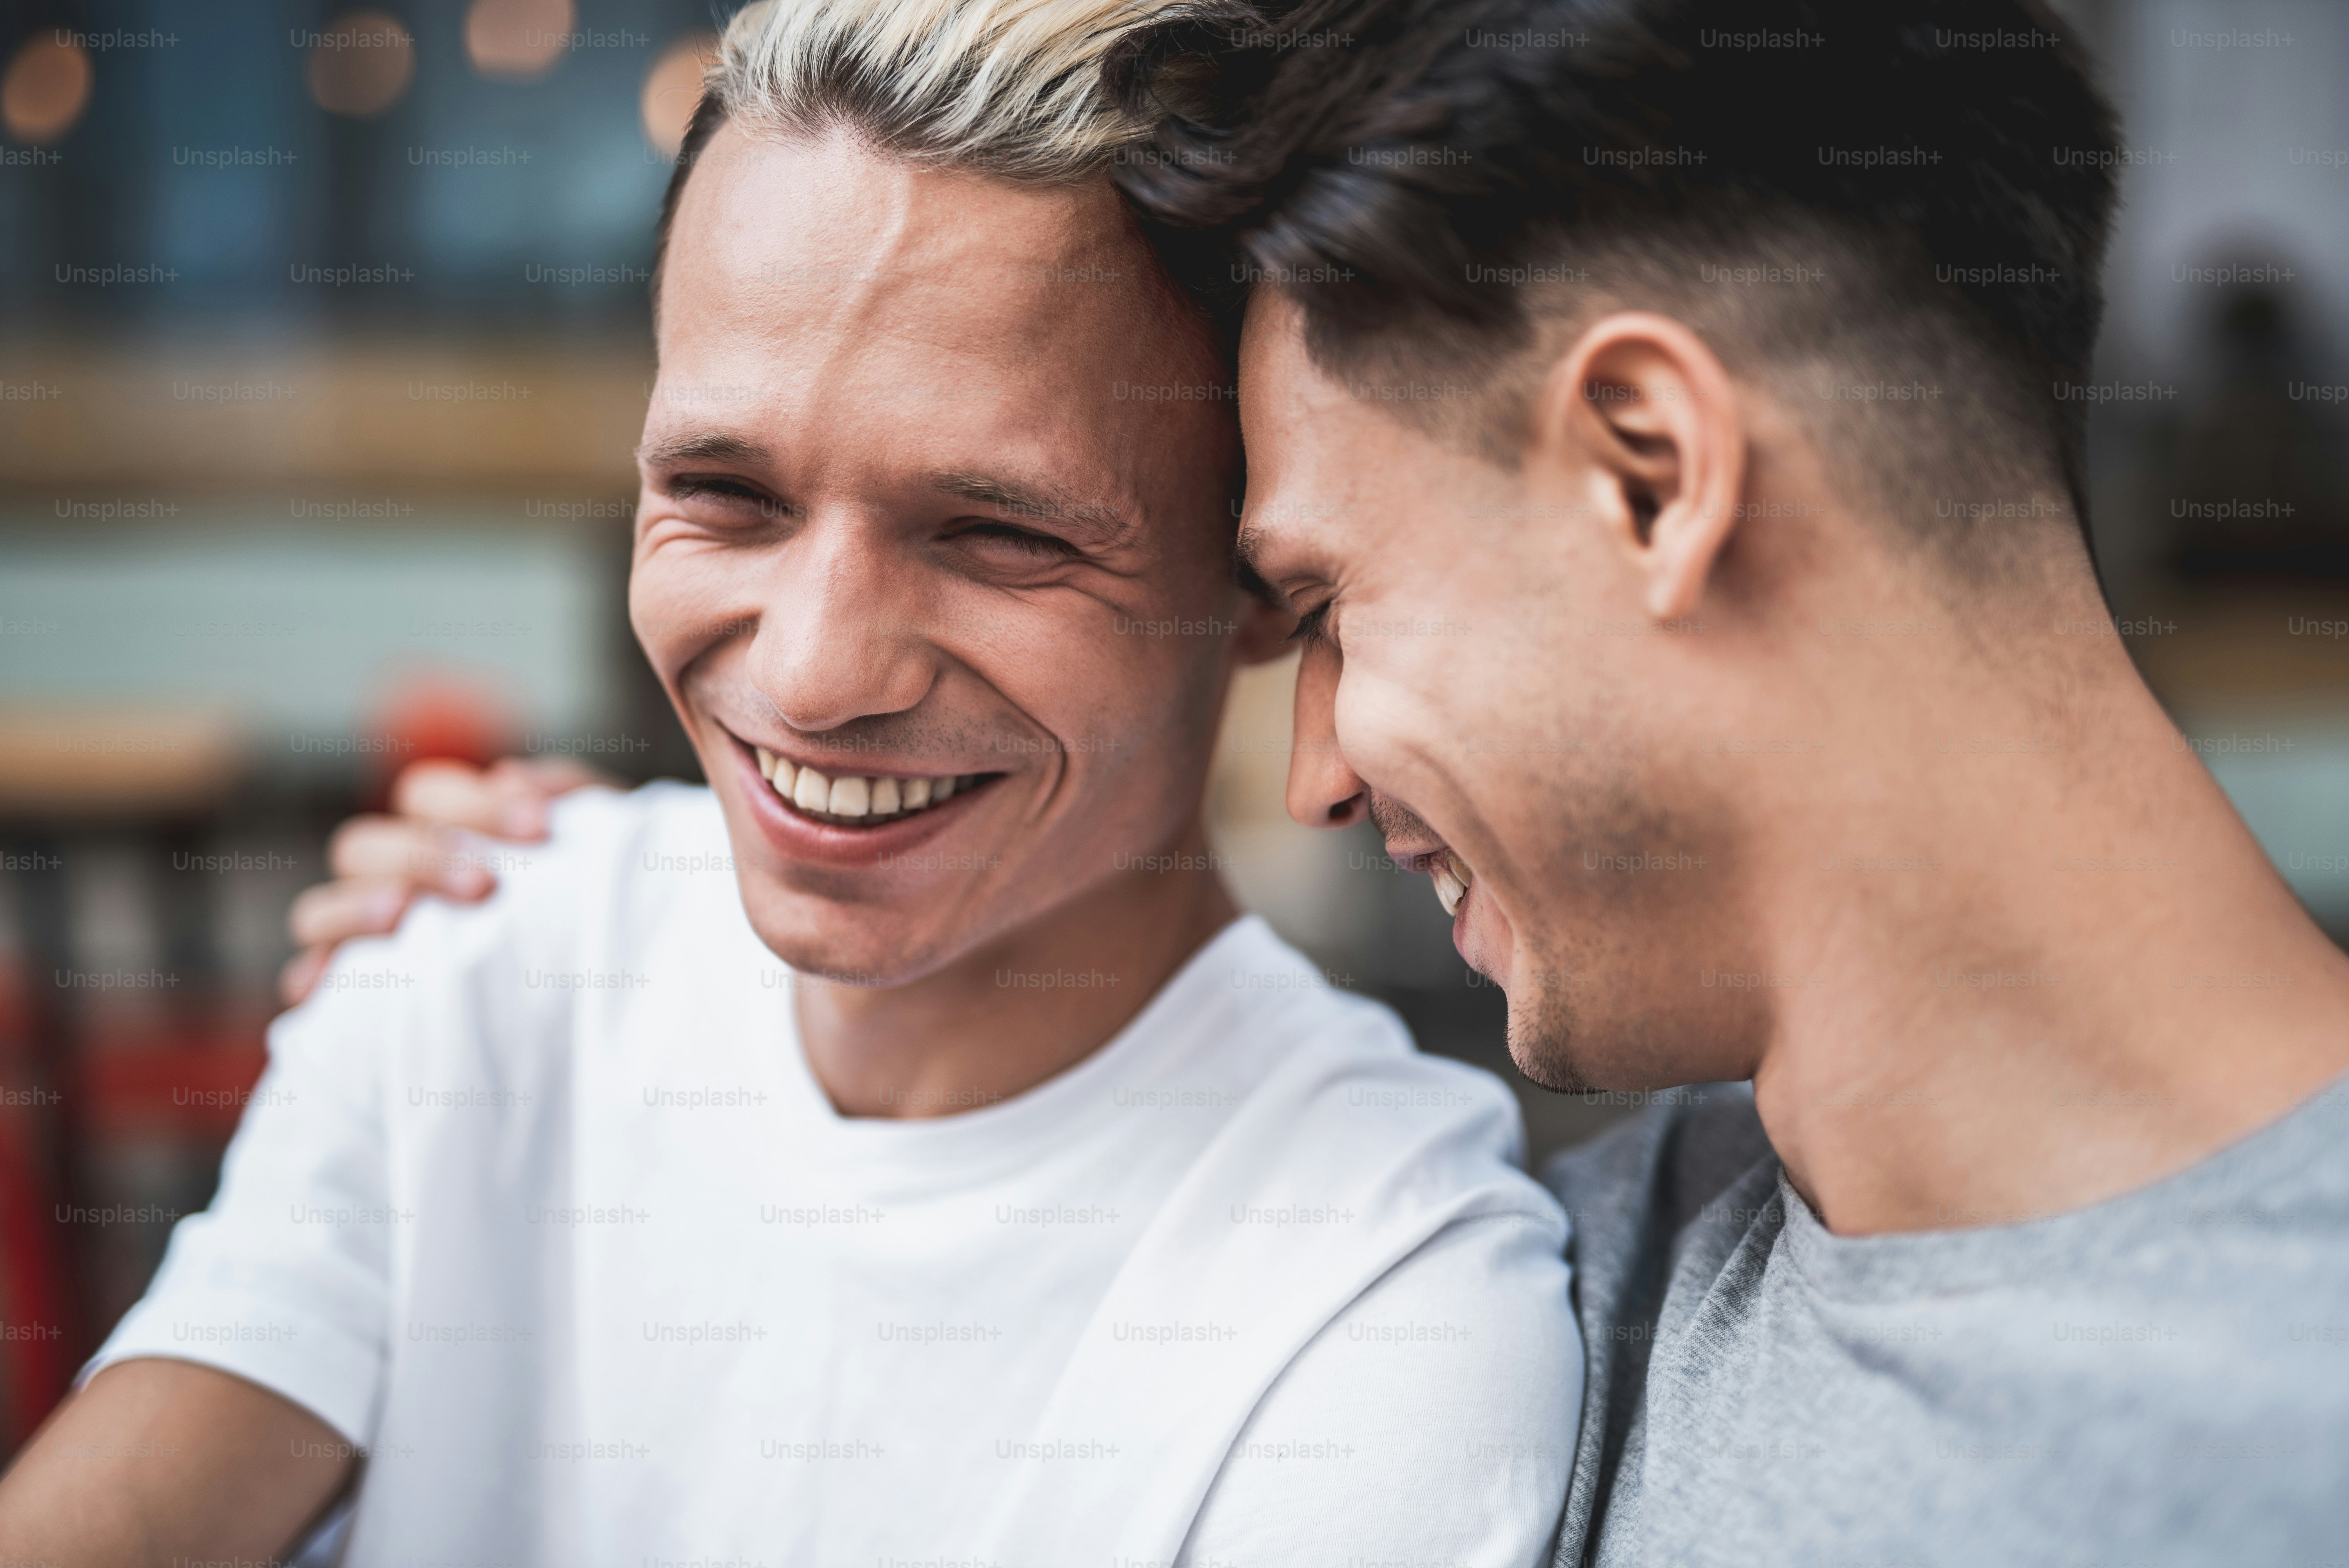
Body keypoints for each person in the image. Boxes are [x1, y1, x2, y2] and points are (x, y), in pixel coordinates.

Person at [228, 0, 2349, 1561]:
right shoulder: (1554, 1273)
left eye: (1325, 596)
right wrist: (522, 971)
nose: (1314, 763)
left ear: (1651, 475)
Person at [0, 4, 1580, 1565]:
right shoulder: (489, 949)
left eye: (997, 534)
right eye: (726, 494)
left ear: (1250, 580)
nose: (820, 673)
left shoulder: (1383, 1305)